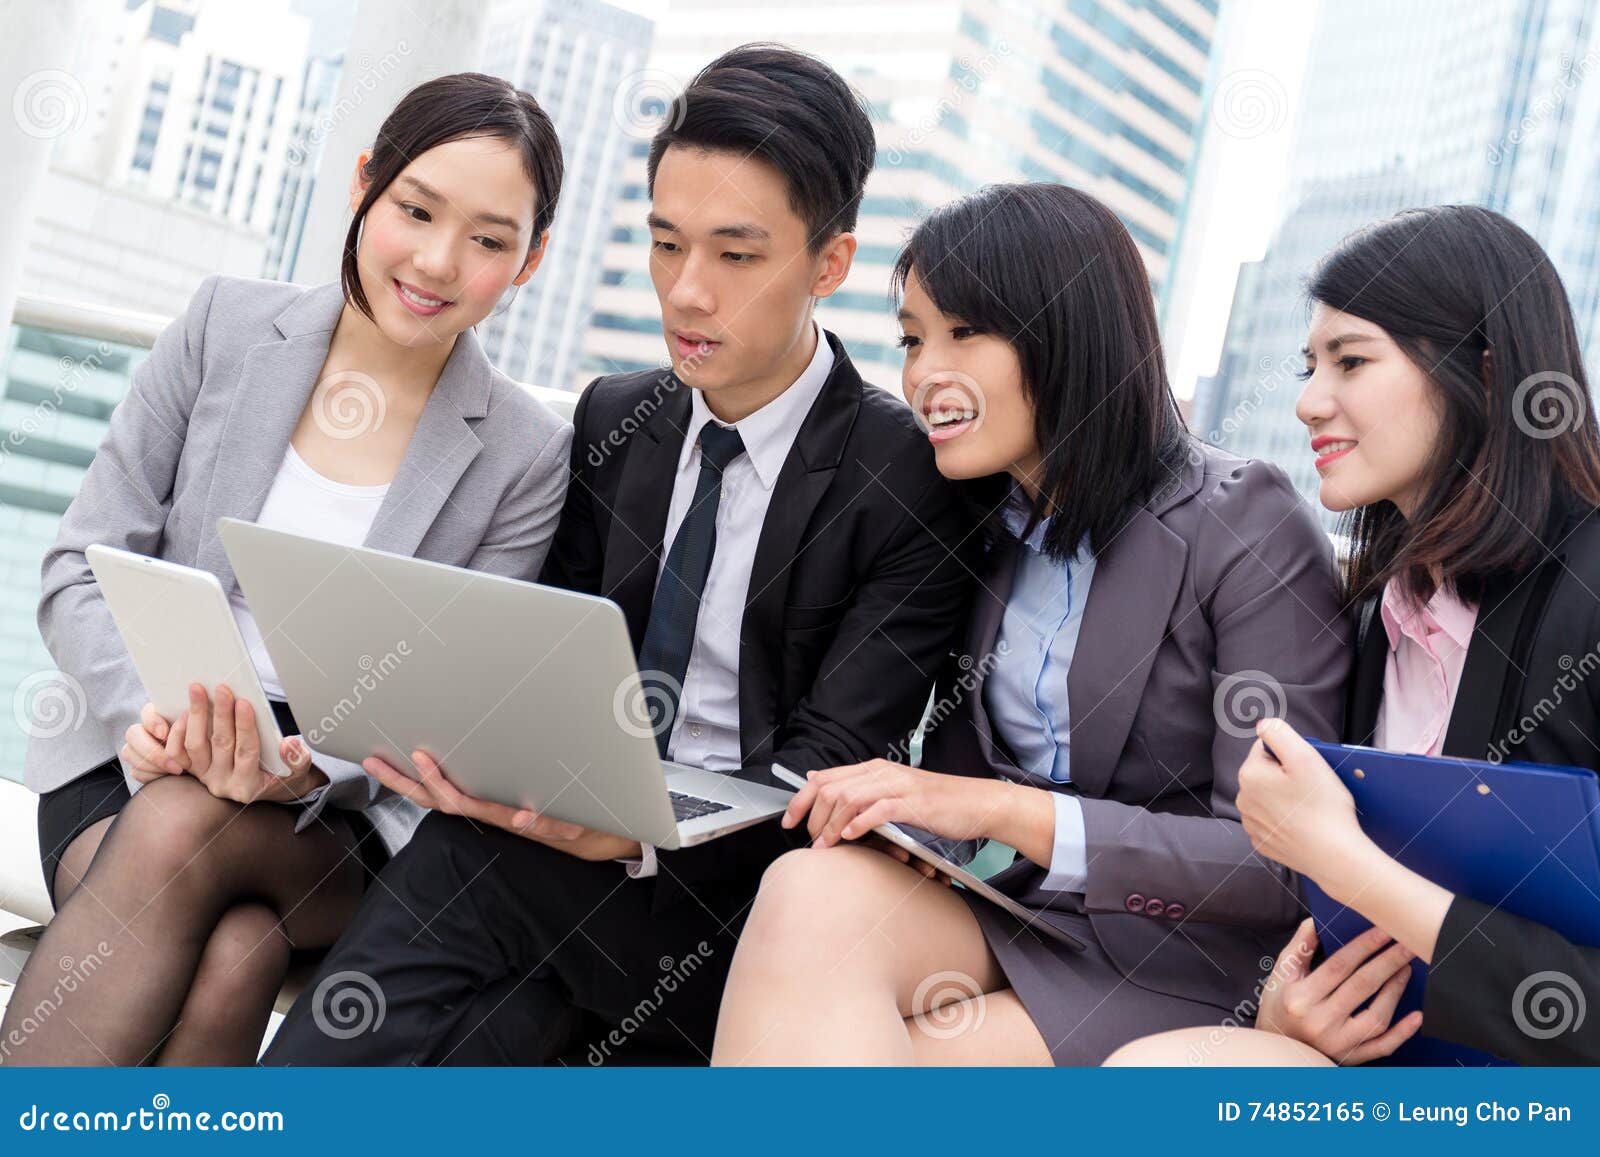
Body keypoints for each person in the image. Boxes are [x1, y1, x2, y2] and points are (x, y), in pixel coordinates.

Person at [261, 43, 974, 1067]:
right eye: (665, 244)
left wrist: (634, 835)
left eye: (735, 255)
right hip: (571, 864)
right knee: (498, 1015)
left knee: (473, 874)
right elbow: (548, 651)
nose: (686, 293)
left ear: (829, 263)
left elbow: (829, 763)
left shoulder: (900, 472)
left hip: (746, 897)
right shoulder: (619, 419)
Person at [1, 73, 572, 1066]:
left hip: (327, 822)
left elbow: (458, 711)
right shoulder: (225, 326)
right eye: (416, 210)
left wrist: (302, 765)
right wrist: (161, 718)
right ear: (364, 186)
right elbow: (72, 568)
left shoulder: (526, 450)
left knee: (192, 835)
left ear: (531, 260)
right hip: (127, 761)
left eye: (487, 238)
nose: (438, 260)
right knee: (234, 947)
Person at [710, 182, 1351, 1066]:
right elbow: (954, 769)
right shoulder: (982, 514)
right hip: (1019, 911)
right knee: (806, 892)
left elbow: (1278, 863)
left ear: (1068, 336)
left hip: (1186, 955)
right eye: (911, 338)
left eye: (964, 332)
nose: (925, 371)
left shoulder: (1246, 525)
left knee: (914, 1060)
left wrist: (1003, 809)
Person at [1106, 204, 1600, 1067]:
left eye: (1352, 361)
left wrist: (1336, 856)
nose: (1307, 402)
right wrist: (1292, 1011)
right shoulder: (1381, 610)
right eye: (1309, 366)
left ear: (1484, 375)